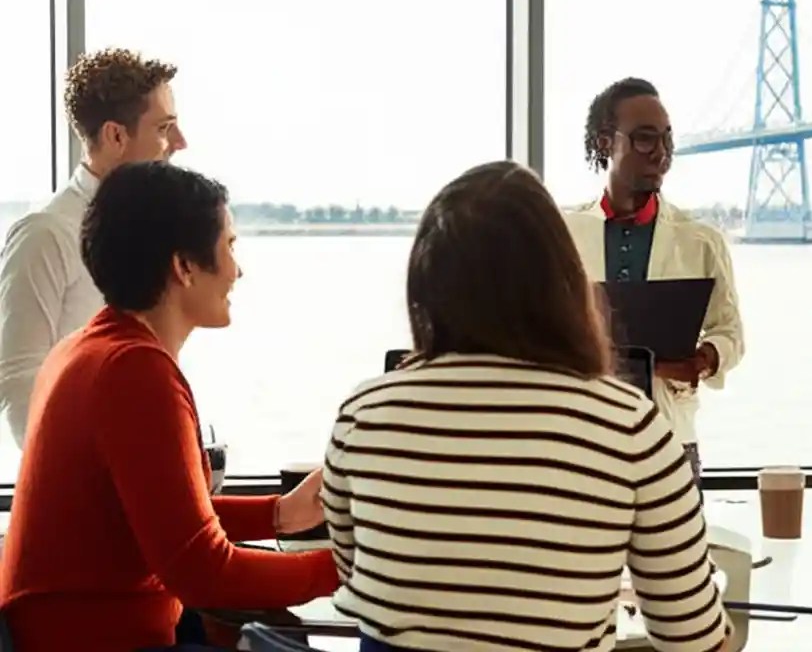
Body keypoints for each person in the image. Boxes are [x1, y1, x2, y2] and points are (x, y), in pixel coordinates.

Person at [320, 161, 732, 652]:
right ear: (565, 281)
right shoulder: (629, 426)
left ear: (426, 284)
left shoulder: (363, 414)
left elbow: (357, 572)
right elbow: (695, 639)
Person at [0, 161, 338, 652]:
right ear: (183, 266)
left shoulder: (86, 347)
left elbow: (166, 520)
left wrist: (281, 513)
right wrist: (347, 565)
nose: (237, 270)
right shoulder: (134, 372)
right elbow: (205, 572)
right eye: (229, 247)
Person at [0, 48, 188, 447]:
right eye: (164, 128)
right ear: (116, 136)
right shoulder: (44, 234)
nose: (180, 142)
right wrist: (95, 473)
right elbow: (17, 383)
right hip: (87, 490)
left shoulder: (153, 231)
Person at [564, 77, 745, 485]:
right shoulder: (560, 234)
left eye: (667, 139)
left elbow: (730, 333)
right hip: (579, 439)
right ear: (603, 143)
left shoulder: (701, 240)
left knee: (680, 551)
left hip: (671, 439)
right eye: (646, 139)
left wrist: (705, 359)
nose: (661, 153)